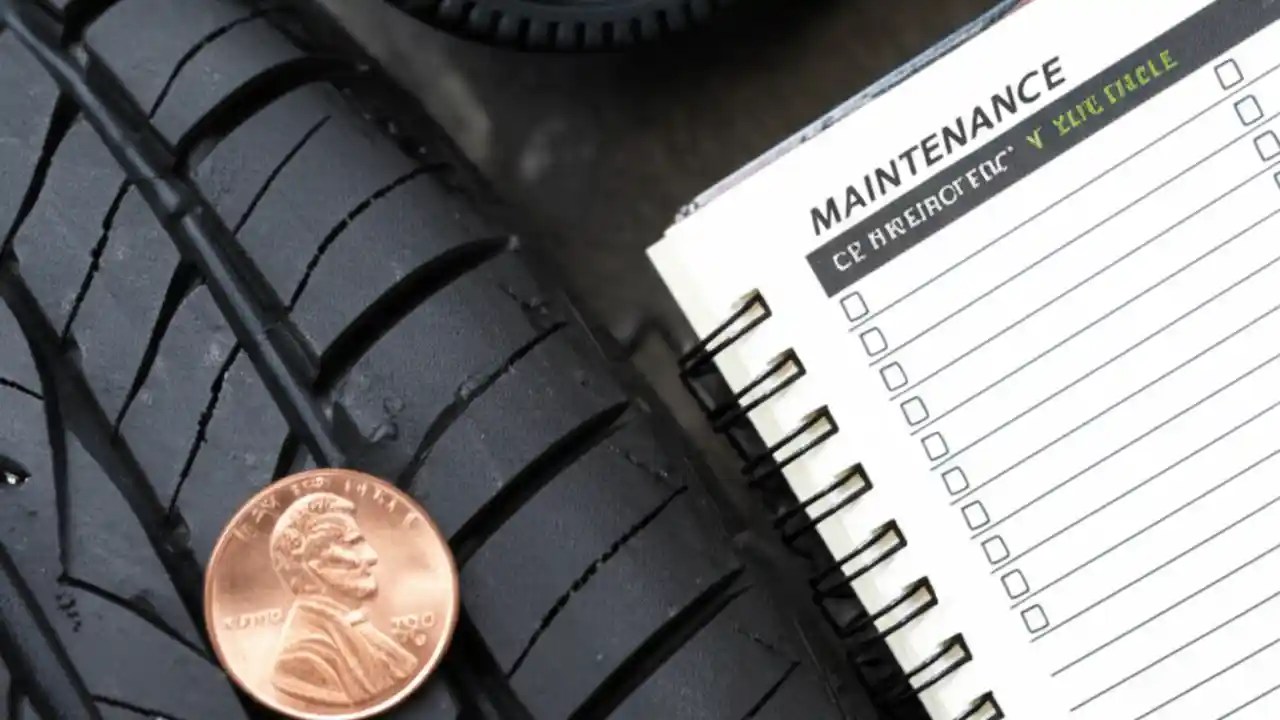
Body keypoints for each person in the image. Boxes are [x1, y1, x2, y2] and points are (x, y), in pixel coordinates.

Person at [268, 492, 417, 706]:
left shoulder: (354, 628)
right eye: (353, 543)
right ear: (312, 561)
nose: (372, 556)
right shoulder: (301, 657)